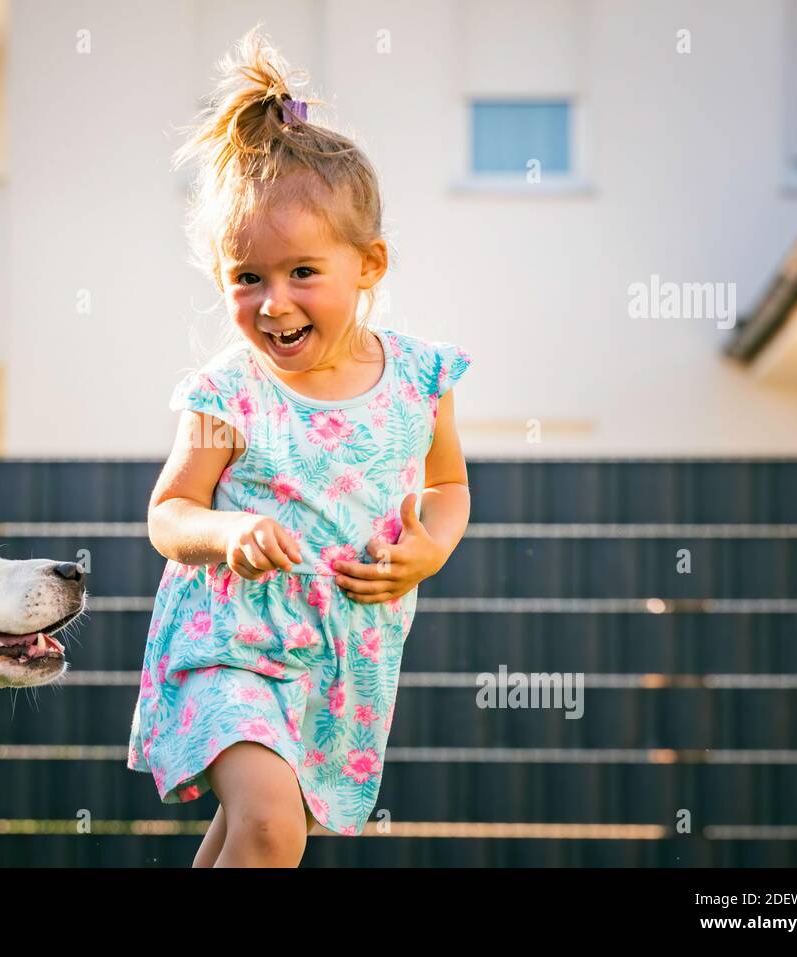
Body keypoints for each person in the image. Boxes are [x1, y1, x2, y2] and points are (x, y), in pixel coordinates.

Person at [127, 24, 473, 867]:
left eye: (301, 273)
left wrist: (429, 549)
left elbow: (450, 484)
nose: (273, 302)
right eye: (248, 278)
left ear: (369, 264)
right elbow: (169, 512)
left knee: (254, 836)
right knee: (272, 825)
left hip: (338, 659)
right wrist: (226, 533)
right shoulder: (228, 390)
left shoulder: (421, 379)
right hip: (230, 647)